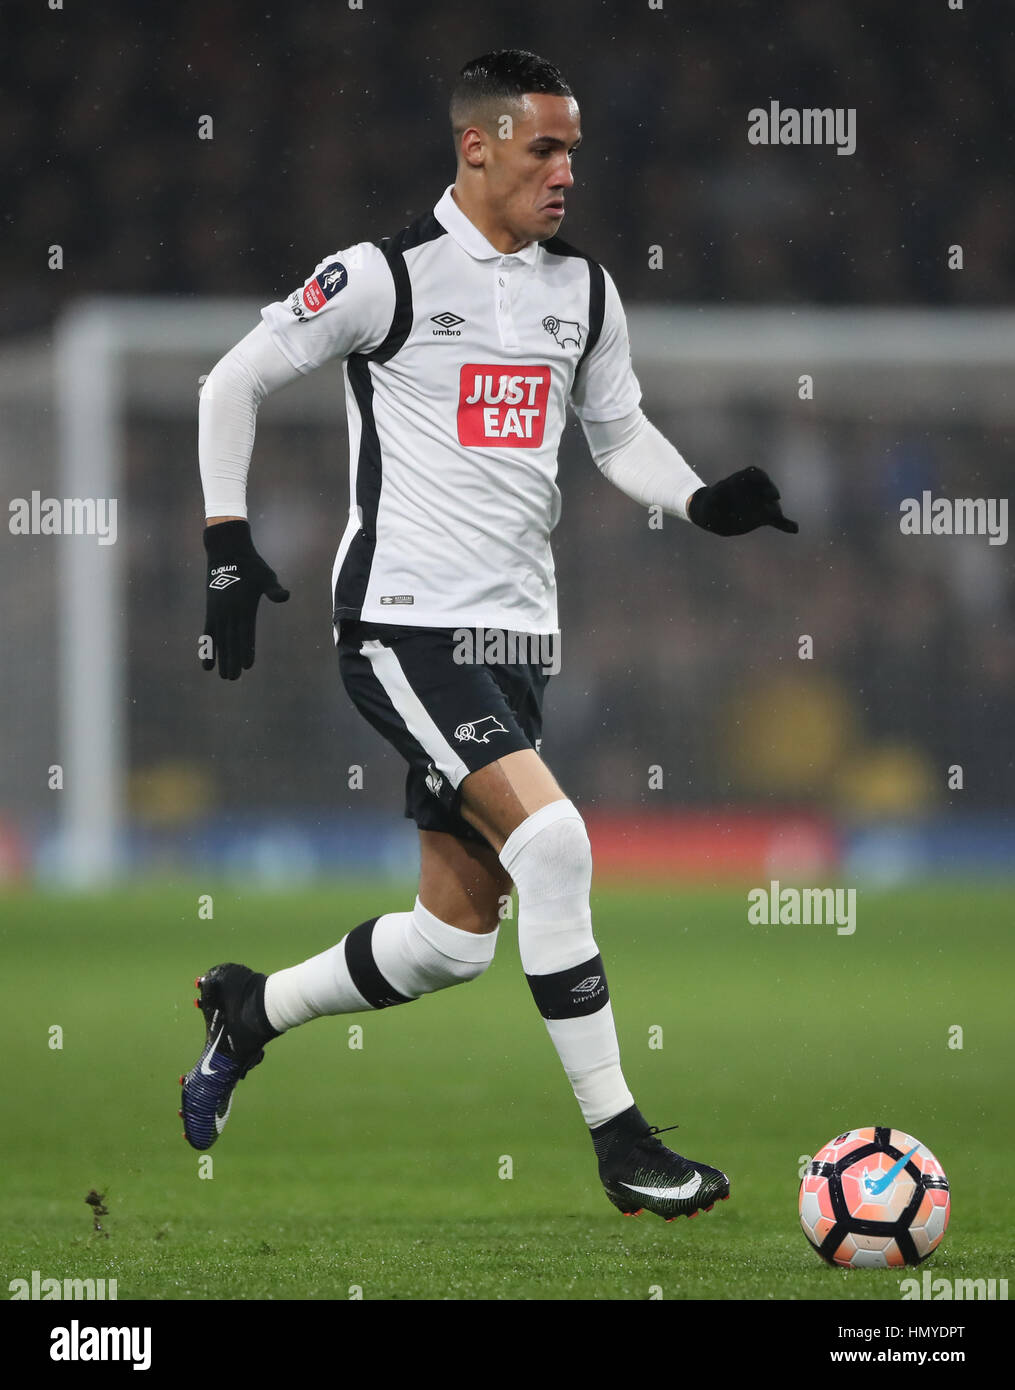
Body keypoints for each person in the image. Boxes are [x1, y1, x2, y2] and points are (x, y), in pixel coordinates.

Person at [182, 48, 796, 1222]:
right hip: (401, 626)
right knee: (556, 842)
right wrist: (224, 538)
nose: (565, 173)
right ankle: (623, 1143)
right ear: (478, 146)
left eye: (573, 151)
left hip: (519, 640)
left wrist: (699, 498)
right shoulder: (384, 275)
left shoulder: (585, 291)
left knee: (453, 940)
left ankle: (249, 1009)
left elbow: (618, 437)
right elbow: (231, 383)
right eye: (543, 149)